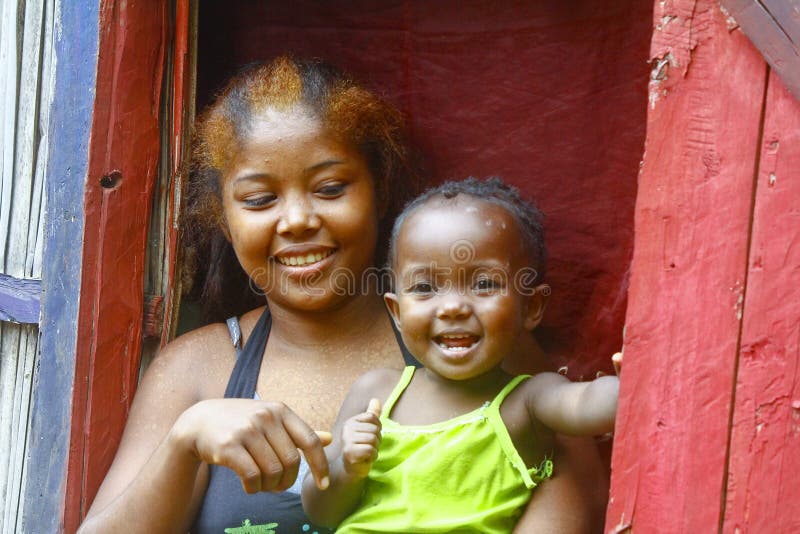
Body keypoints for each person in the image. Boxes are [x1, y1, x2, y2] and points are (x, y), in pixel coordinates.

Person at [78, 57, 609, 534]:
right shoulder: (197, 371)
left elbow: (576, 492)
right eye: (260, 199)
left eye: (330, 188)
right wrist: (184, 441)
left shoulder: (465, 338)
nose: (299, 220)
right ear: (223, 214)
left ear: (378, 187)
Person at [302, 177, 619, 532]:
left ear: (531, 306)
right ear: (397, 311)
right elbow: (322, 512)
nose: (452, 306)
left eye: (484, 284)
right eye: (424, 288)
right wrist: (348, 468)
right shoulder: (375, 393)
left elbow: (589, 405)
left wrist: (631, 383)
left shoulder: (527, 402)